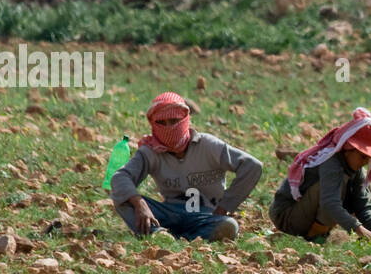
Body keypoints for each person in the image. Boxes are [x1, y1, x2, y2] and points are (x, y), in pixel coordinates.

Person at [110, 91, 262, 241]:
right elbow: (120, 177)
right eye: (162, 123)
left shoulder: (208, 146)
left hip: (207, 216)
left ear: (185, 119)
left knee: (229, 225)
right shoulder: (151, 151)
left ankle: (174, 238)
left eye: (174, 121)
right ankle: (157, 233)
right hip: (169, 214)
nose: (169, 127)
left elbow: (251, 166)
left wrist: (225, 206)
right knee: (123, 198)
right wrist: (140, 204)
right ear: (153, 124)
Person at [269, 107, 371, 240]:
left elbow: (362, 204)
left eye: (368, 159)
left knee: (362, 187)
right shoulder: (331, 162)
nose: (365, 162)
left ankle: (318, 232)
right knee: (337, 189)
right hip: (287, 216)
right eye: (363, 156)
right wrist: (358, 228)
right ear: (348, 148)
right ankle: (316, 237)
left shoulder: (356, 168)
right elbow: (330, 204)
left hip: (305, 214)